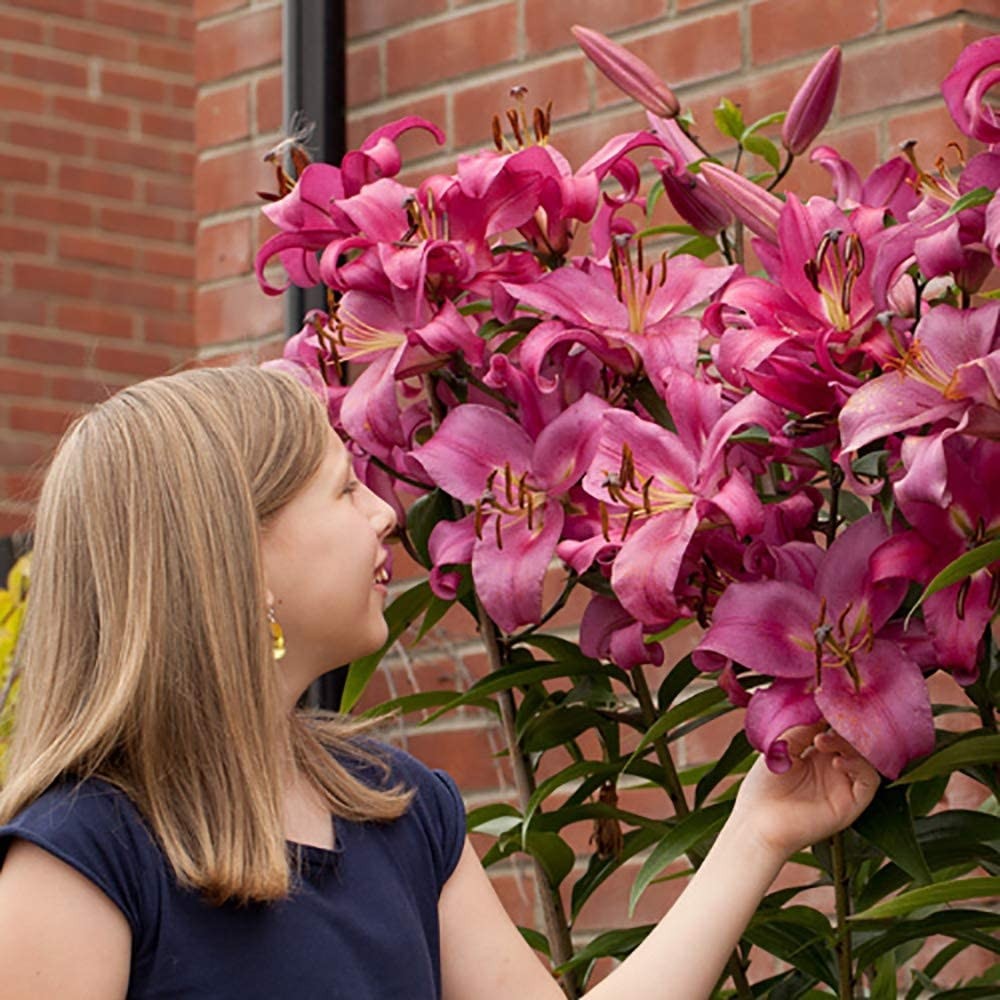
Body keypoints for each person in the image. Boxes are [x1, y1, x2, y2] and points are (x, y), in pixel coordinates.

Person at [0, 366, 879, 999]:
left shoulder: (399, 811)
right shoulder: (79, 861)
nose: (387, 512)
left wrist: (757, 833)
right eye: (345, 491)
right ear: (236, 558)